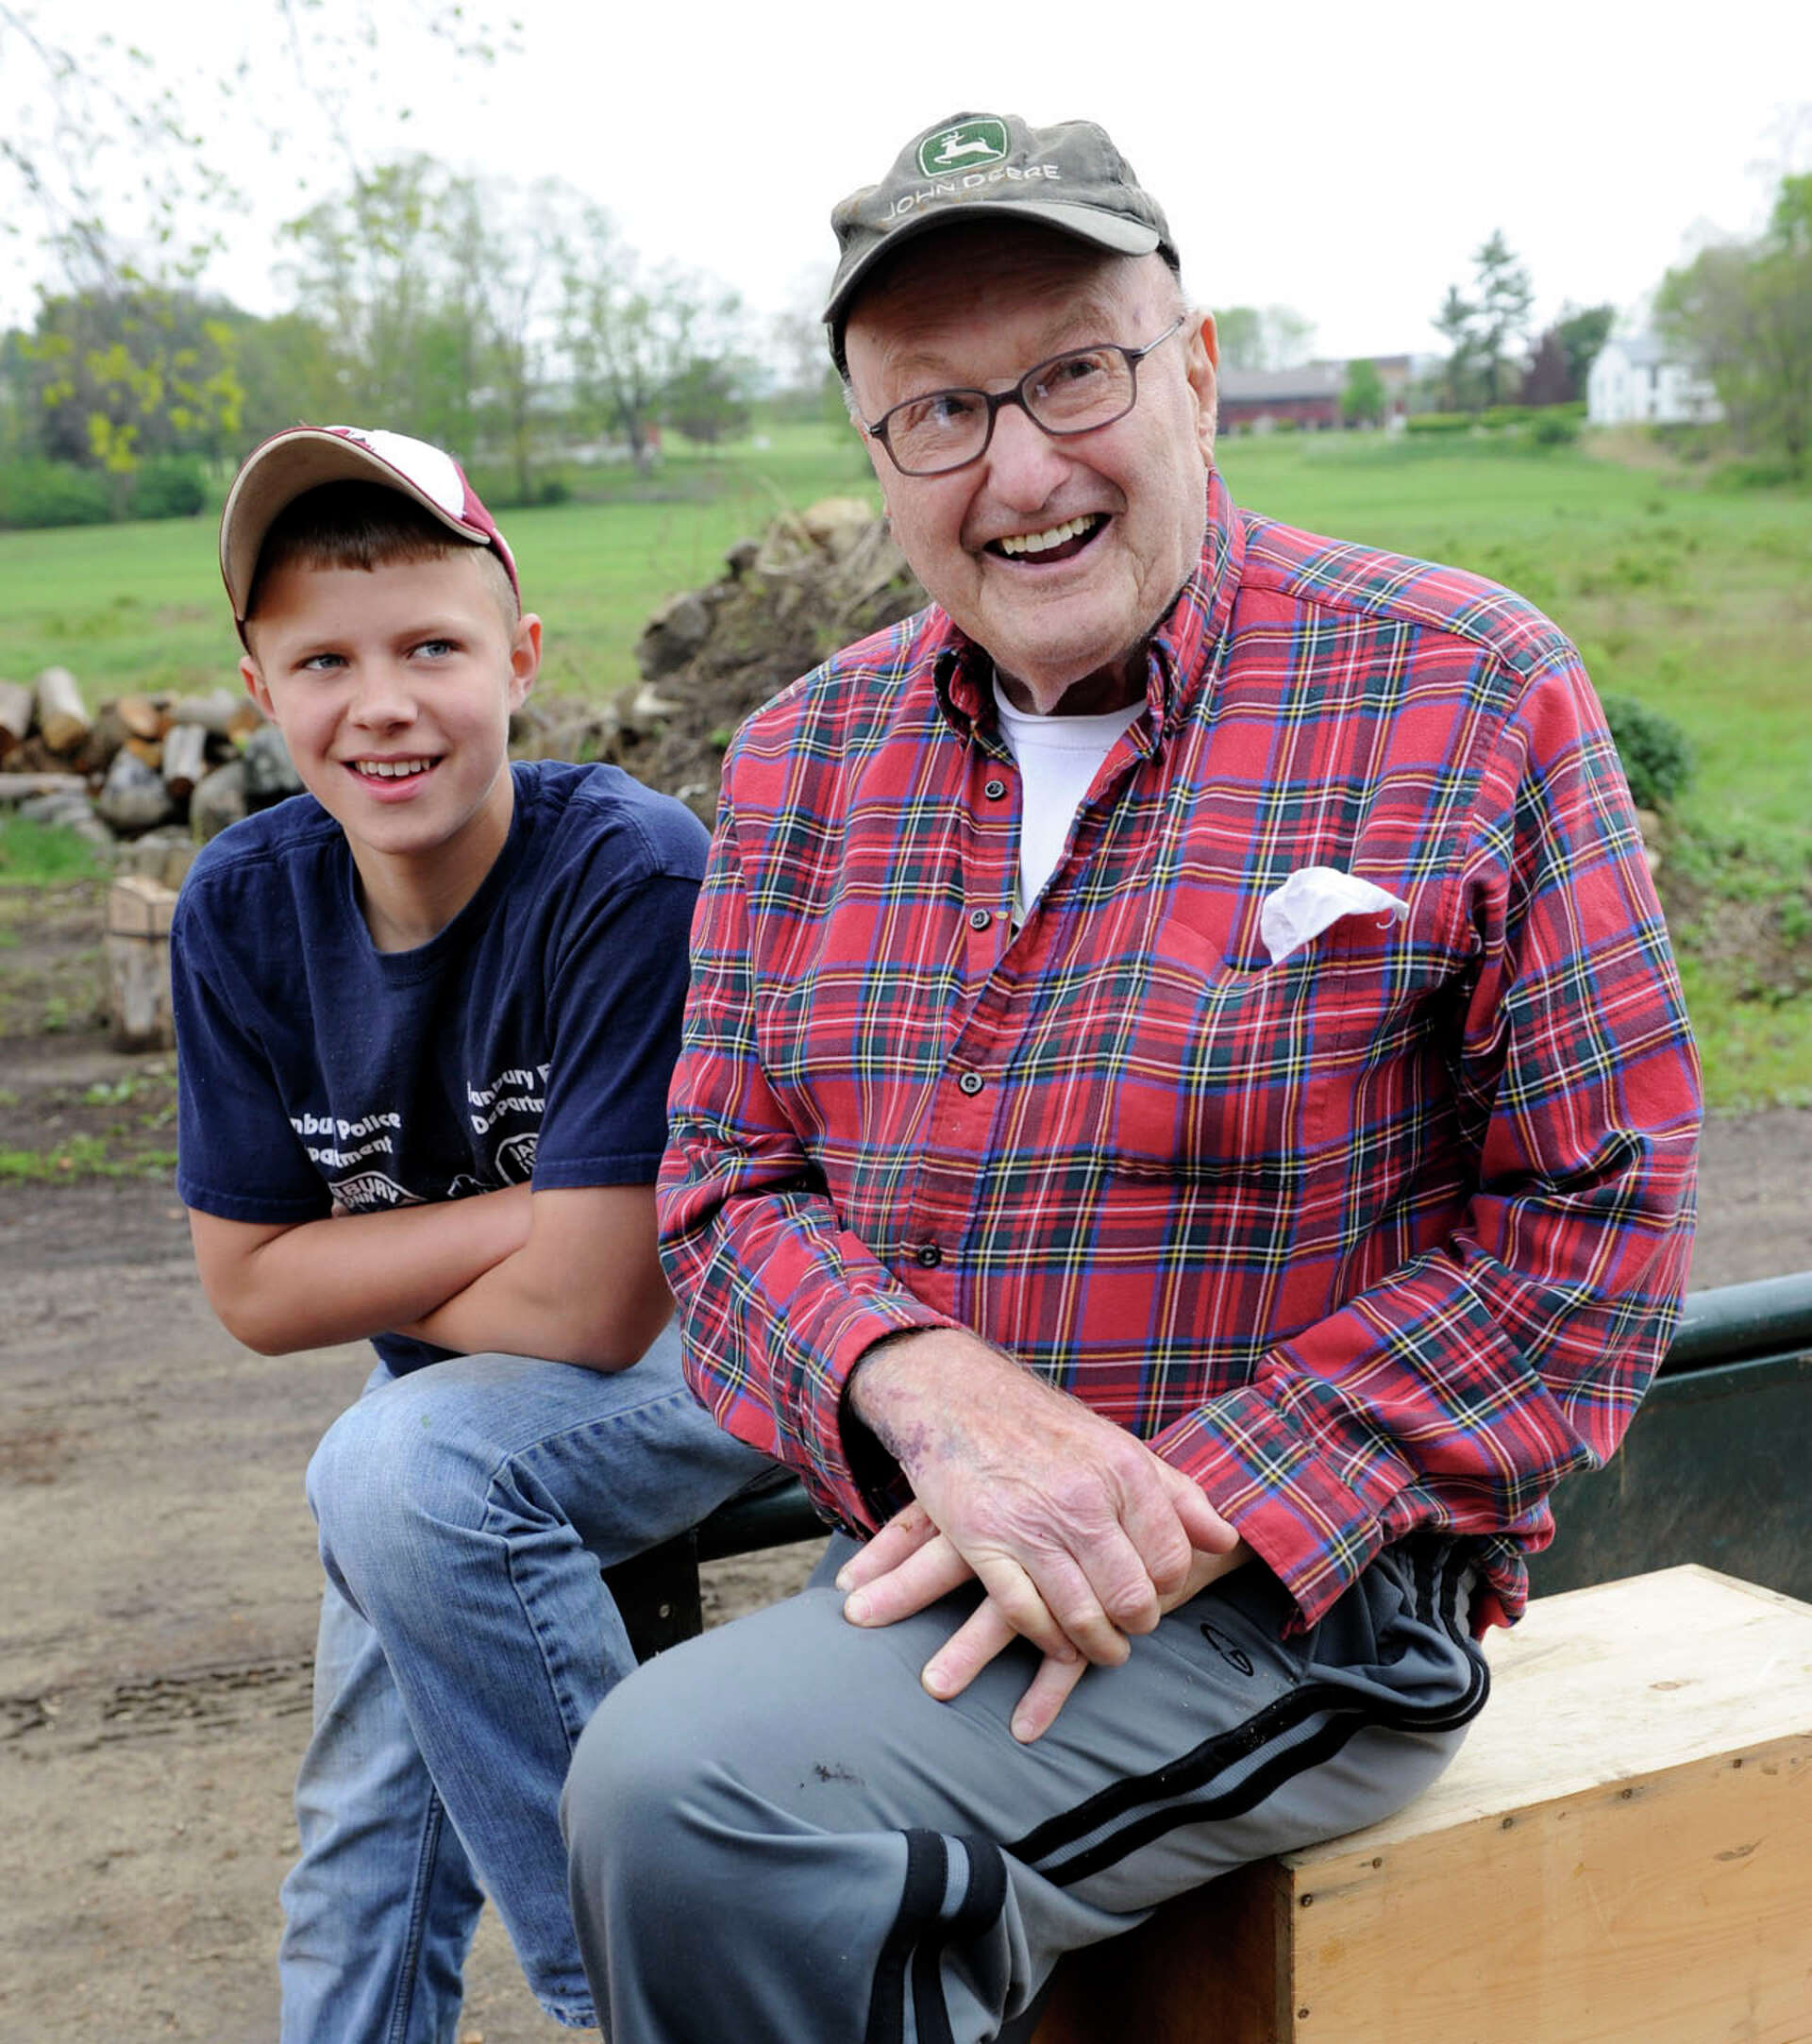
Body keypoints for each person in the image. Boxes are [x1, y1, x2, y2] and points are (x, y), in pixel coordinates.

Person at [561, 112, 1703, 2042]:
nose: (1018, 467)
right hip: (929, 1567)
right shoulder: (797, 767)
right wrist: (915, 1389)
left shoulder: (1467, 686)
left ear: (1192, 369)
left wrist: (1193, 1503)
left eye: (1073, 372)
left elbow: (1601, 1224)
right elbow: (724, 1192)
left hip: (1306, 1600)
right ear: (877, 456)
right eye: (937, 411)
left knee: (688, 1804)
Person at [171, 425, 773, 2041]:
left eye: (433, 645)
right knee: (364, 1815)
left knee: (397, 1469)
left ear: (518, 655)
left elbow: (601, 1311)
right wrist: (533, 1208)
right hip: (463, 1396)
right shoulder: (243, 909)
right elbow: (250, 1287)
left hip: (729, 1356)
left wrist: (416, 1268)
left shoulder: (625, 872)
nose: (383, 702)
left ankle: (662, 1978)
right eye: (325, 658)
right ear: (258, 682)